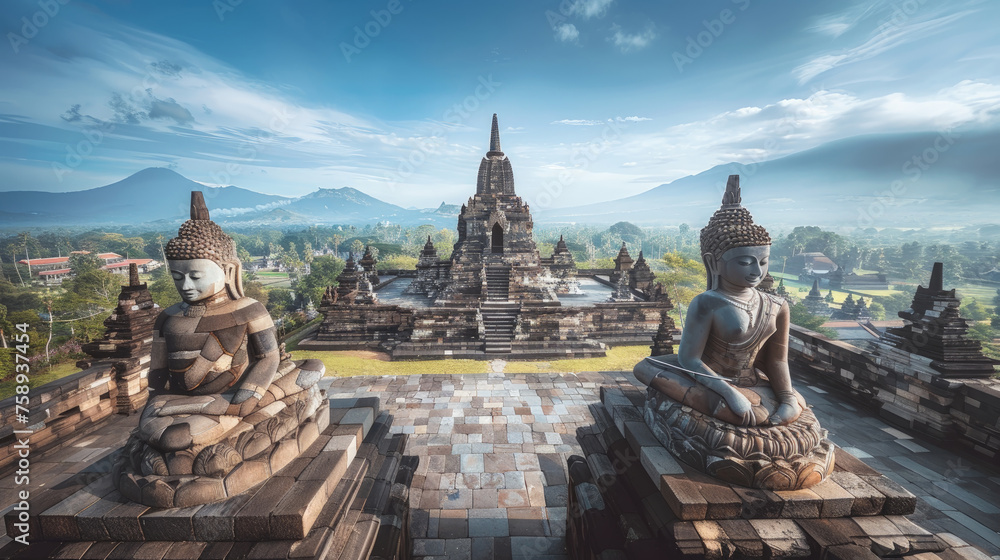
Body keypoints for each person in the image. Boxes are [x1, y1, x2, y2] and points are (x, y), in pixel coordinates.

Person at [634, 176, 804, 427]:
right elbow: (690, 359)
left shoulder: (777, 305)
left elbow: (777, 360)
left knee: (791, 412)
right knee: (645, 367)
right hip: (709, 376)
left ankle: (747, 406)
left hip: (751, 379)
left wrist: (787, 398)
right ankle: (725, 404)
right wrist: (729, 392)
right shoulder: (707, 302)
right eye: (746, 262)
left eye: (763, 261)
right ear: (714, 263)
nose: (757, 271)